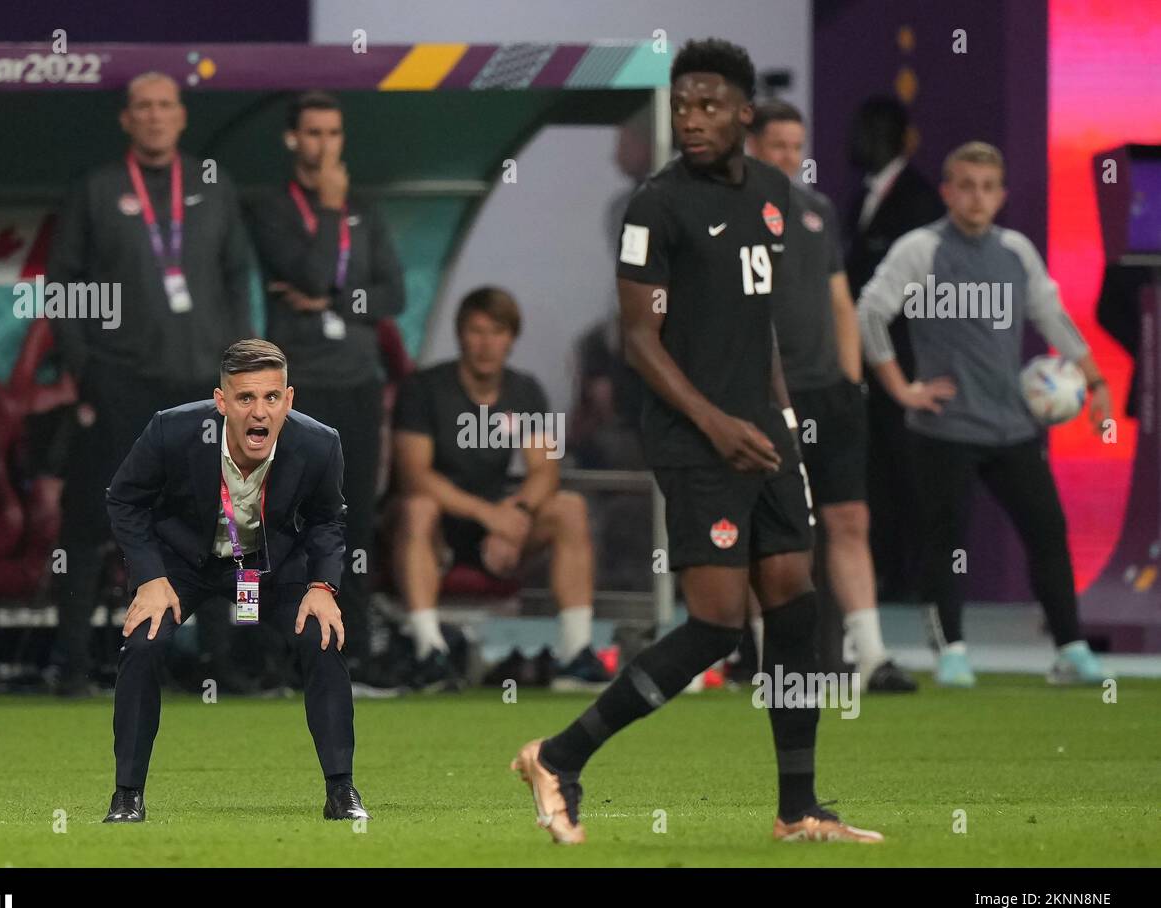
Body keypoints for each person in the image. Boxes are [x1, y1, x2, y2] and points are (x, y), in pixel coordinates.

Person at [510, 39, 882, 845]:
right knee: (717, 623)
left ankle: (799, 807)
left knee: (795, 601)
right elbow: (641, 341)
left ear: (746, 111)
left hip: (765, 434)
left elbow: (761, 333)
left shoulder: (777, 196)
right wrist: (719, 425)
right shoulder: (657, 204)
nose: (692, 118)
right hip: (694, 438)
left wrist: (780, 424)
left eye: (710, 104)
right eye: (682, 105)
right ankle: (559, 755)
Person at [858, 142, 1113, 687]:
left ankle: (1071, 649)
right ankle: (950, 651)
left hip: (1012, 426)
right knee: (945, 545)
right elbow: (869, 314)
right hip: (942, 427)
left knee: (1047, 530)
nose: (976, 197)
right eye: (965, 185)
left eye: (987, 187)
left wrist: (1095, 381)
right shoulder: (919, 249)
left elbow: (1053, 316)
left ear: (1001, 195)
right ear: (947, 191)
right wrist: (902, 389)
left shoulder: (1016, 251)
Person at [46, 71, 254, 695]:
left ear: (182, 116)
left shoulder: (214, 187)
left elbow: (236, 279)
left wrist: (241, 371)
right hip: (122, 383)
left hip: (202, 384)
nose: (156, 115)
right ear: (127, 120)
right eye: (144, 107)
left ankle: (221, 661)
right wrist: (85, 371)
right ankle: (73, 664)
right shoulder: (96, 189)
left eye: (166, 105)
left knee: (224, 520)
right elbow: (63, 285)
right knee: (91, 519)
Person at [101, 339, 365, 823]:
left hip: (269, 566)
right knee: (144, 644)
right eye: (244, 398)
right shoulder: (172, 431)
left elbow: (328, 519)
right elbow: (123, 499)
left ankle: (341, 790)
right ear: (221, 402)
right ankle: (126, 795)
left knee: (321, 639)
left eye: (270, 398)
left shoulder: (318, 443)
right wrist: (150, 576)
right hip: (184, 563)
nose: (258, 412)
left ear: (289, 399)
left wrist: (323, 588)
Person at [746, 99, 915, 692]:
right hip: (760, 397)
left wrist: (849, 382)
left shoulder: (817, 212)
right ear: (752, 147)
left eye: (796, 146)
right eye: (777, 146)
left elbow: (842, 302)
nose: (788, 156)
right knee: (771, 530)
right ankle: (773, 662)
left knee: (847, 519)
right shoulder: (726, 213)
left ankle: (871, 656)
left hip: (827, 395)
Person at [246, 90, 406, 673]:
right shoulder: (271, 208)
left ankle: (351, 651)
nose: (324, 145)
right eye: (312, 133)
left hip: (357, 383)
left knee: (352, 519)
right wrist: (332, 215)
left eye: (333, 134)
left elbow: (393, 294)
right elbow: (303, 269)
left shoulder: (364, 208)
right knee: (280, 517)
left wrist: (333, 298)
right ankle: (272, 654)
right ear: (293, 139)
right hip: (298, 385)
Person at [391, 287, 604, 688]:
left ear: (511, 338)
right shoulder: (424, 388)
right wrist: (489, 516)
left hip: (498, 524)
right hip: (435, 526)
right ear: (460, 335)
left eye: (498, 332)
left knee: (570, 508)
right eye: (477, 331)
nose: (487, 344)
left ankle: (577, 654)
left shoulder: (525, 390)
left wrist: (518, 515)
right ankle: (429, 650)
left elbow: (545, 470)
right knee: (418, 506)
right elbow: (414, 475)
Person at [845, 96, 946, 602]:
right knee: (875, 474)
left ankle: (922, 581)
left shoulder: (919, 202)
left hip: (908, 364)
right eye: (863, 128)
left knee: (910, 473)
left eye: (879, 130)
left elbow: (922, 295)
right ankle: (884, 574)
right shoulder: (857, 199)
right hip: (866, 365)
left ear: (905, 139)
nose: (865, 141)